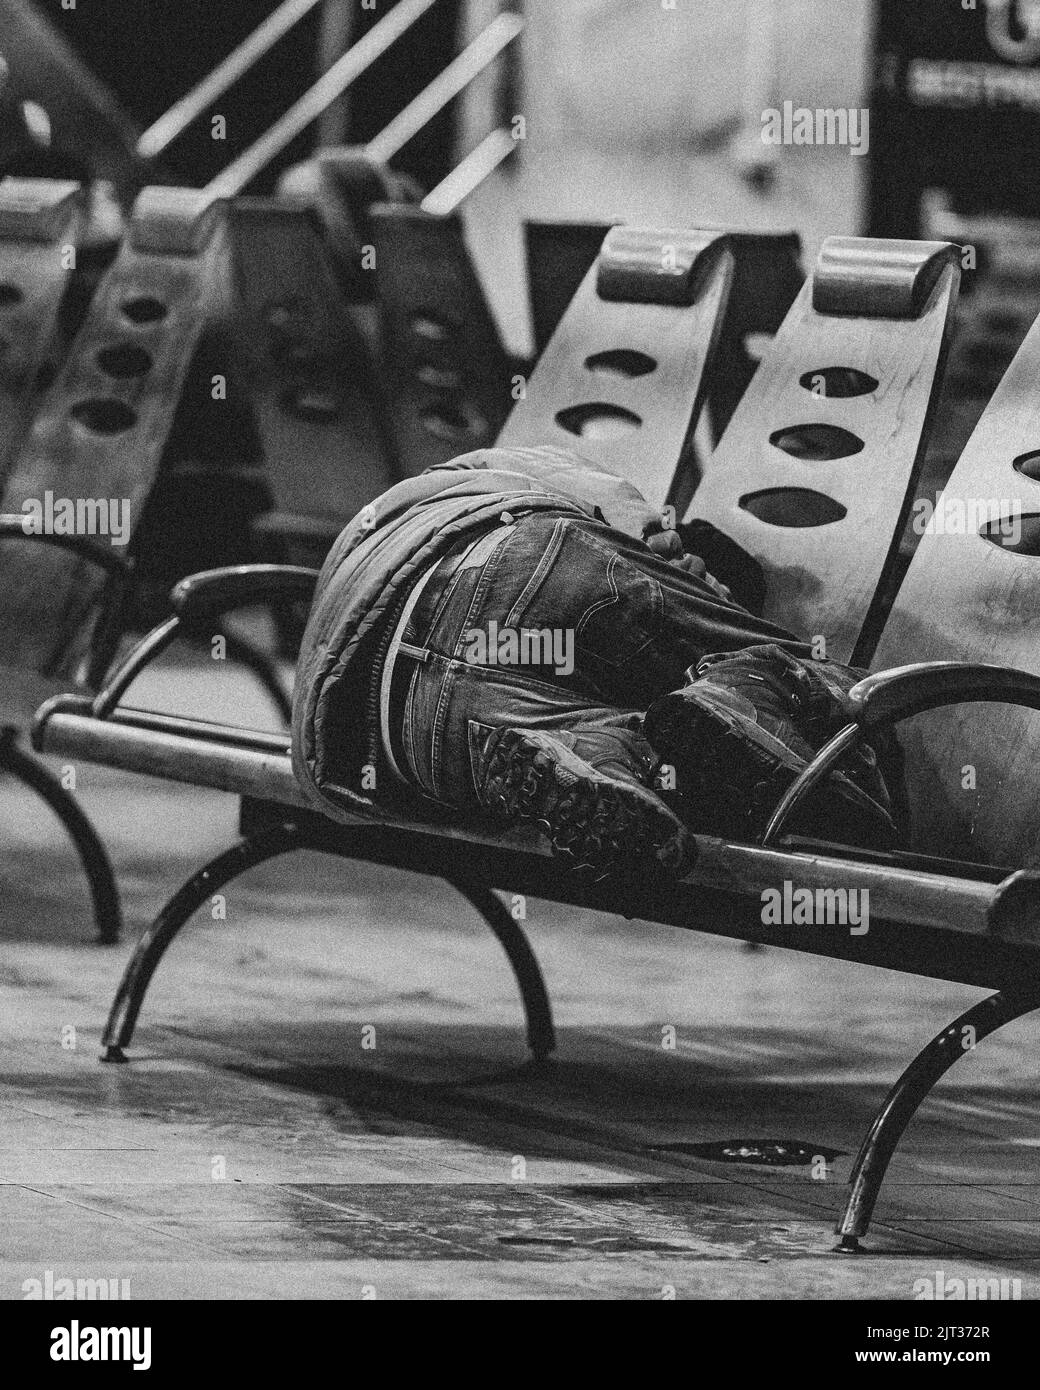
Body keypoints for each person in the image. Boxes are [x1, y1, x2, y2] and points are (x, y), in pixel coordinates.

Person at [292, 445, 901, 878]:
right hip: (475, 638)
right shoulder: (645, 545)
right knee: (835, 688)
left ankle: (607, 751)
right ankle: (743, 689)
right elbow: (643, 535)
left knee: (633, 751)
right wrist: (669, 553)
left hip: (392, 725)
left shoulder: (436, 497)